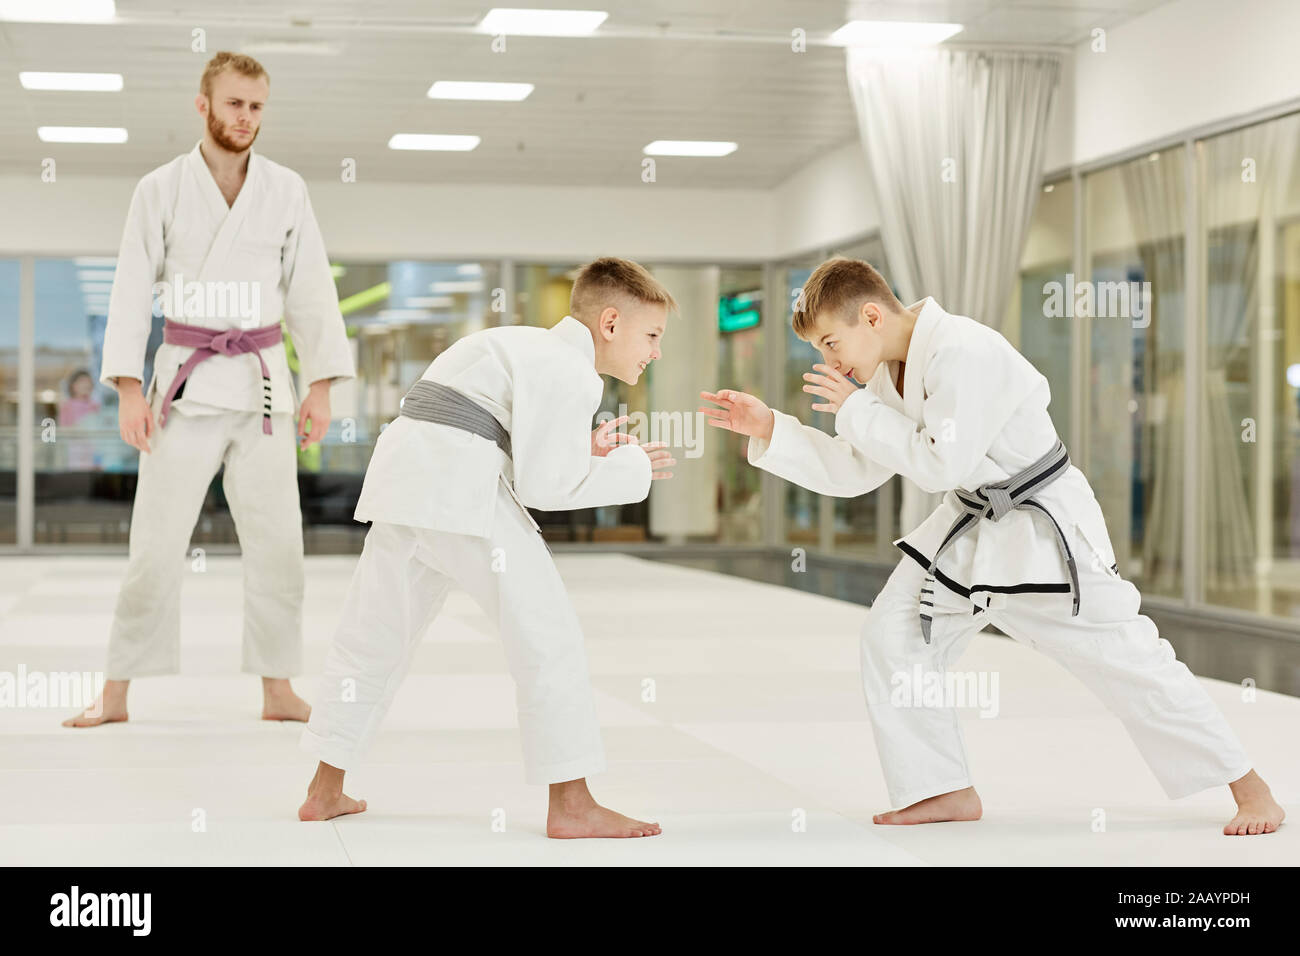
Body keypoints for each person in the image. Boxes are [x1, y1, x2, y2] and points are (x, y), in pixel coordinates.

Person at [701, 256, 1284, 836]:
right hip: (971, 523)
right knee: (893, 633)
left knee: (1127, 659)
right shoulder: (887, 372)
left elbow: (939, 462)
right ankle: (941, 787)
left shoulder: (964, 351)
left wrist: (857, 410)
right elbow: (859, 467)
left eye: (831, 343)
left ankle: (1251, 788)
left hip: (1041, 528)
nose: (830, 362)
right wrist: (772, 429)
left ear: (871, 316)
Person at [299, 257, 677, 838]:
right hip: (461, 494)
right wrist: (630, 468)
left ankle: (324, 790)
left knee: (371, 638)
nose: (654, 351)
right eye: (650, 335)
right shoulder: (572, 371)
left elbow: (520, 447)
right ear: (609, 322)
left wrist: (585, 454)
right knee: (547, 635)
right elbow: (546, 488)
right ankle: (572, 803)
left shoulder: (516, 343)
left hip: (405, 487)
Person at [63, 51, 354, 728]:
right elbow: (132, 289)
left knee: (280, 545)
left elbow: (312, 292)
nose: (245, 118)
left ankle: (277, 686)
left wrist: (320, 387)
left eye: (256, 107)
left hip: (263, 393)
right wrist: (129, 390)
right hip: (184, 391)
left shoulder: (285, 190)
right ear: (203, 105)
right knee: (155, 544)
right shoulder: (160, 189)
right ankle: (117, 690)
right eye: (233, 104)